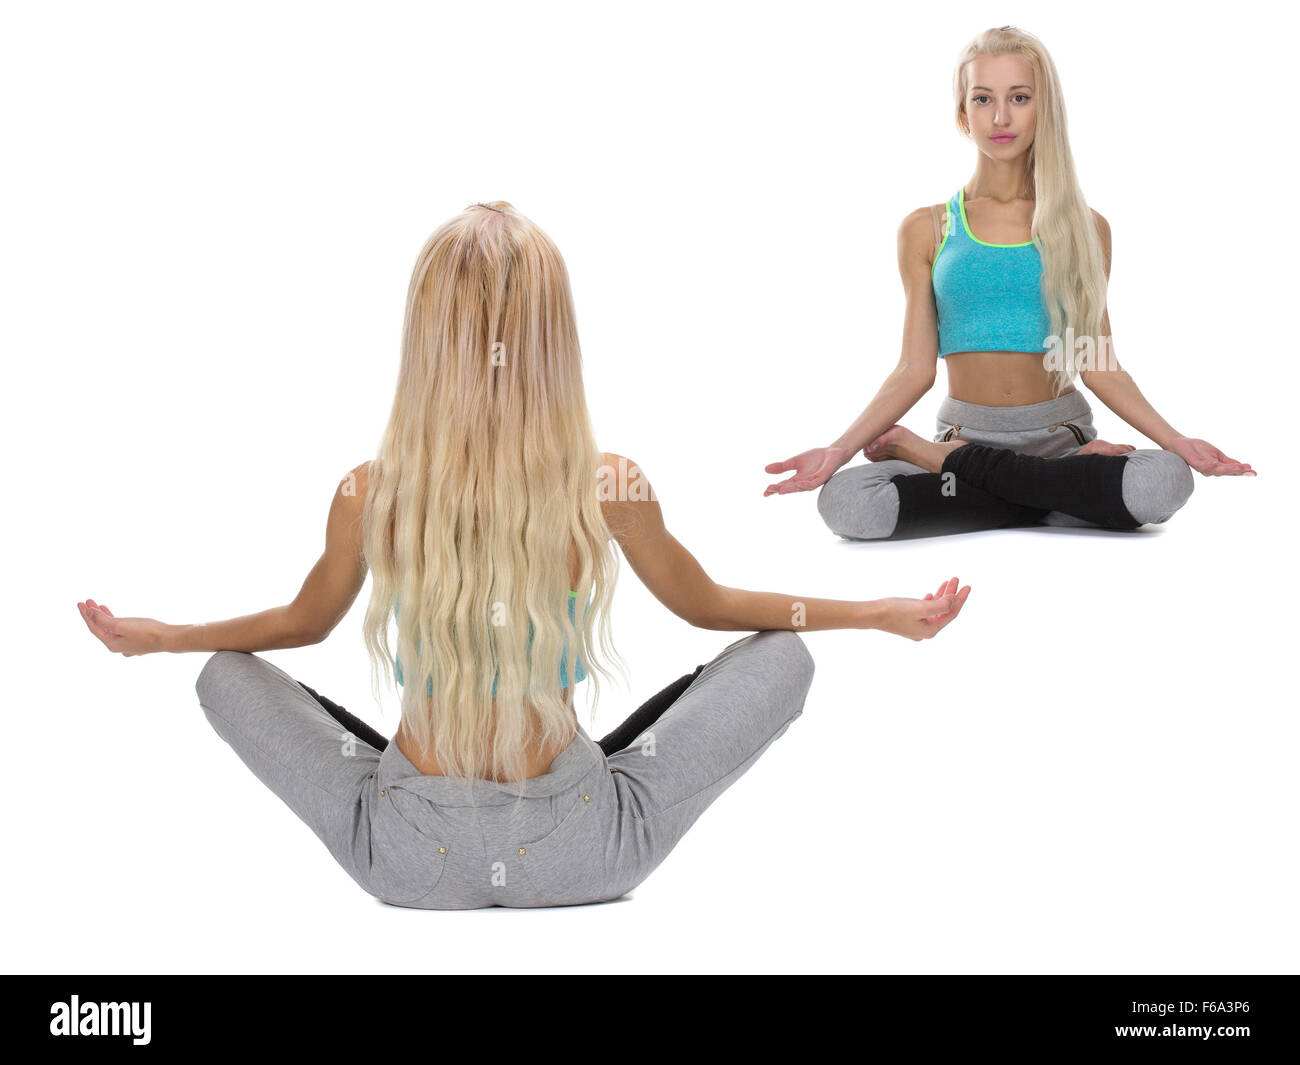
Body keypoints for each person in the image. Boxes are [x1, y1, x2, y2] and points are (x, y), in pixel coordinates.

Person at [77, 201, 972, 909]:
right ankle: (586, 767)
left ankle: (435, 769)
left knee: (222, 675)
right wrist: (876, 615)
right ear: (554, 343)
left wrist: (173, 638)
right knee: (784, 652)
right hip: (581, 848)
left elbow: (300, 625)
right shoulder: (606, 484)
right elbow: (711, 607)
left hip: (404, 853)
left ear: (423, 342)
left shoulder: (371, 491)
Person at [764, 25, 1254, 540]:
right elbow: (914, 368)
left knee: (1167, 480)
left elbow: (1098, 364)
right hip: (965, 439)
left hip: (1045, 443)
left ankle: (974, 479)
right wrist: (838, 450)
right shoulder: (926, 228)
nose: (1000, 117)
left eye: (1019, 98)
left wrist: (1178, 441)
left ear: (1044, 109)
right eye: (983, 99)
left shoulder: (1086, 228)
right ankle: (1059, 494)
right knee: (847, 502)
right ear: (962, 112)